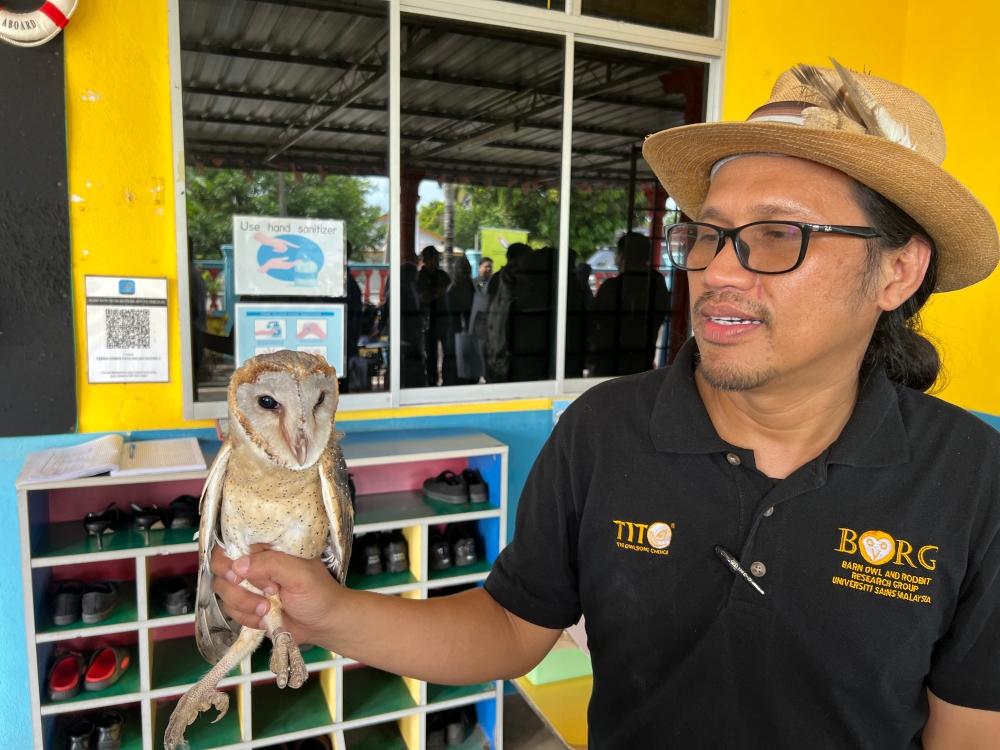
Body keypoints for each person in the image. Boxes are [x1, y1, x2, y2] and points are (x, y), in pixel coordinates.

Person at [209, 64, 1000, 747]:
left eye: (777, 236)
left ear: (897, 273)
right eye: (710, 234)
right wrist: (329, 612)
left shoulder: (973, 482)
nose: (720, 271)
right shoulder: (605, 430)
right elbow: (512, 628)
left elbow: (968, 732)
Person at [587, 233, 671, 377]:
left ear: (622, 255)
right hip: (642, 361)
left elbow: (592, 324)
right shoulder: (658, 284)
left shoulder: (612, 287)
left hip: (609, 362)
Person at [416, 246, 454, 386]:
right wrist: (440, 292)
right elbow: (424, 297)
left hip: (444, 319)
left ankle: (447, 379)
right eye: (434, 258)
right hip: (428, 320)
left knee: (448, 351)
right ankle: (432, 380)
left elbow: (450, 291)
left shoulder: (442, 274)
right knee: (430, 353)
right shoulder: (421, 276)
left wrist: (437, 292)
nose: (437, 261)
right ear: (426, 259)